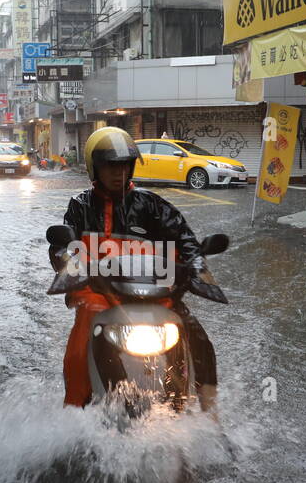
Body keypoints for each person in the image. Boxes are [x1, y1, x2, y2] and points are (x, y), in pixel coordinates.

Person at [49, 126, 218, 410]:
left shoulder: (152, 205)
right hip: (100, 295)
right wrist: (68, 262)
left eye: (125, 166)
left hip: (153, 294)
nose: (119, 173)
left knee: (197, 336)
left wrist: (197, 265)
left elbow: (185, 239)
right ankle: (74, 409)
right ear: (95, 168)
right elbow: (64, 245)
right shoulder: (80, 206)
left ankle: (210, 413)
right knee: (81, 339)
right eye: (110, 167)